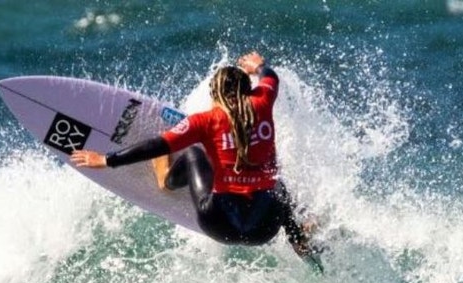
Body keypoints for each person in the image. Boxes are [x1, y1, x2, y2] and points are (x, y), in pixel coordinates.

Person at [70, 51, 312, 256]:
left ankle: (165, 179)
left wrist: (106, 159)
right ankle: (298, 238)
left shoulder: (206, 121)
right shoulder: (263, 101)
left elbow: (158, 145)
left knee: (196, 154)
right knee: (276, 185)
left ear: (215, 95)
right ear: (249, 92)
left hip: (218, 223)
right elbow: (270, 78)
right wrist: (259, 66)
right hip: (263, 229)